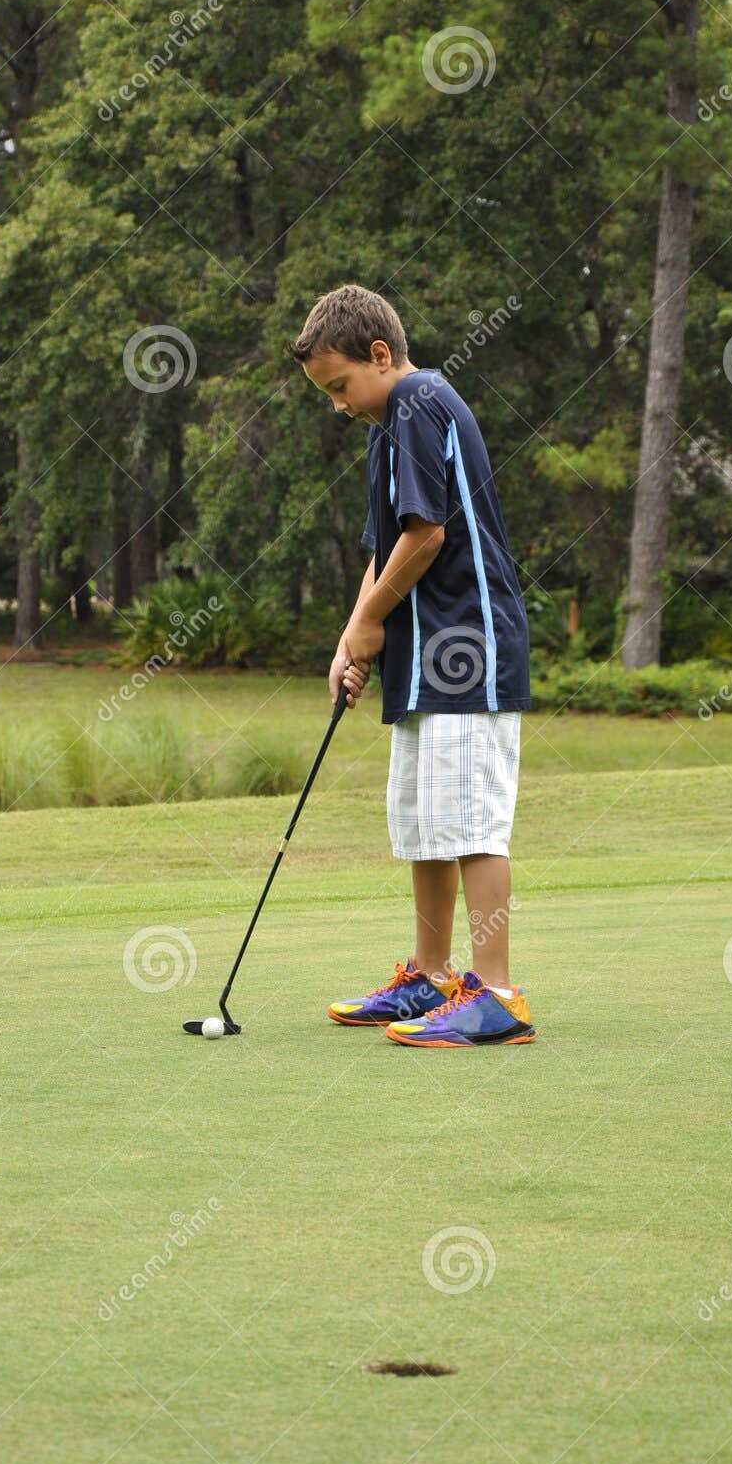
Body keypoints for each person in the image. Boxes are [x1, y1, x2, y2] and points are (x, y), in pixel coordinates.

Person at [290, 284, 535, 1046]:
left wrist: (370, 622)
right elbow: (386, 548)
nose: (337, 403)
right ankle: (428, 980)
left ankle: (494, 995)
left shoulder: (419, 401)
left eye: (340, 386)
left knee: (470, 822)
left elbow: (426, 536)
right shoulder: (381, 424)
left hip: (469, 643)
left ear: (379, 355)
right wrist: (351, 636)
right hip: (422, 652)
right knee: (428, 823)